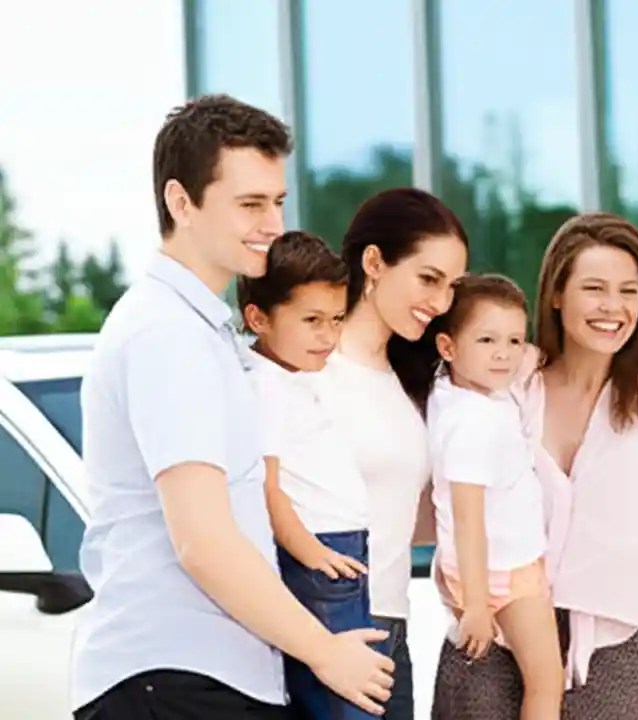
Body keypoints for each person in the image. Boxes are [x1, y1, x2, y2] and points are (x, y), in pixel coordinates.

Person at [72, 95, 393, 720]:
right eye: (250, 204)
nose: (272, 223)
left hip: (203, 678)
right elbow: (204, 540)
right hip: (172, 679)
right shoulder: (167, 333)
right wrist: (324, 651)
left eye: (276, 201)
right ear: (180, 201)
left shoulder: (202, 332)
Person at [431, 213, 638, 720]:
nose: (614, 307)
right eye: (594, 288)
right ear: (557, 295)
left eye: (629, 291)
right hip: (496, 642)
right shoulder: (511, 381)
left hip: (619, 657)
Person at [315, 187, 470, 719]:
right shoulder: (311, 369)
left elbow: (404, 517)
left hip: (390, 626)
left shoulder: (411, 383)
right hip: (326, 632)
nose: (441, 302)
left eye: (451, 286)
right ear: (374, 262)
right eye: (429, 279)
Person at [238, 230, 380, 719]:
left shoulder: (289, 378)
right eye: (312, 320)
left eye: (337, 320)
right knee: (349, 700)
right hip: (321, 552)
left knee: (353, 690)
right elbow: (267, 487)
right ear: (259, 317)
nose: (329, 335)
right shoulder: (266, 385)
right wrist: (313, 554)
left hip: (337, 550)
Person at [424, 273, 562, 719]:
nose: (504, 354)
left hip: (502, 569)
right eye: (487, 340)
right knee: (546, 681)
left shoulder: (462, 393)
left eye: (514, 340)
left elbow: (530, 358)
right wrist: (478, 605)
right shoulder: (472, 423)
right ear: (447, 347)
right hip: (502, 575)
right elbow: (468, 519)